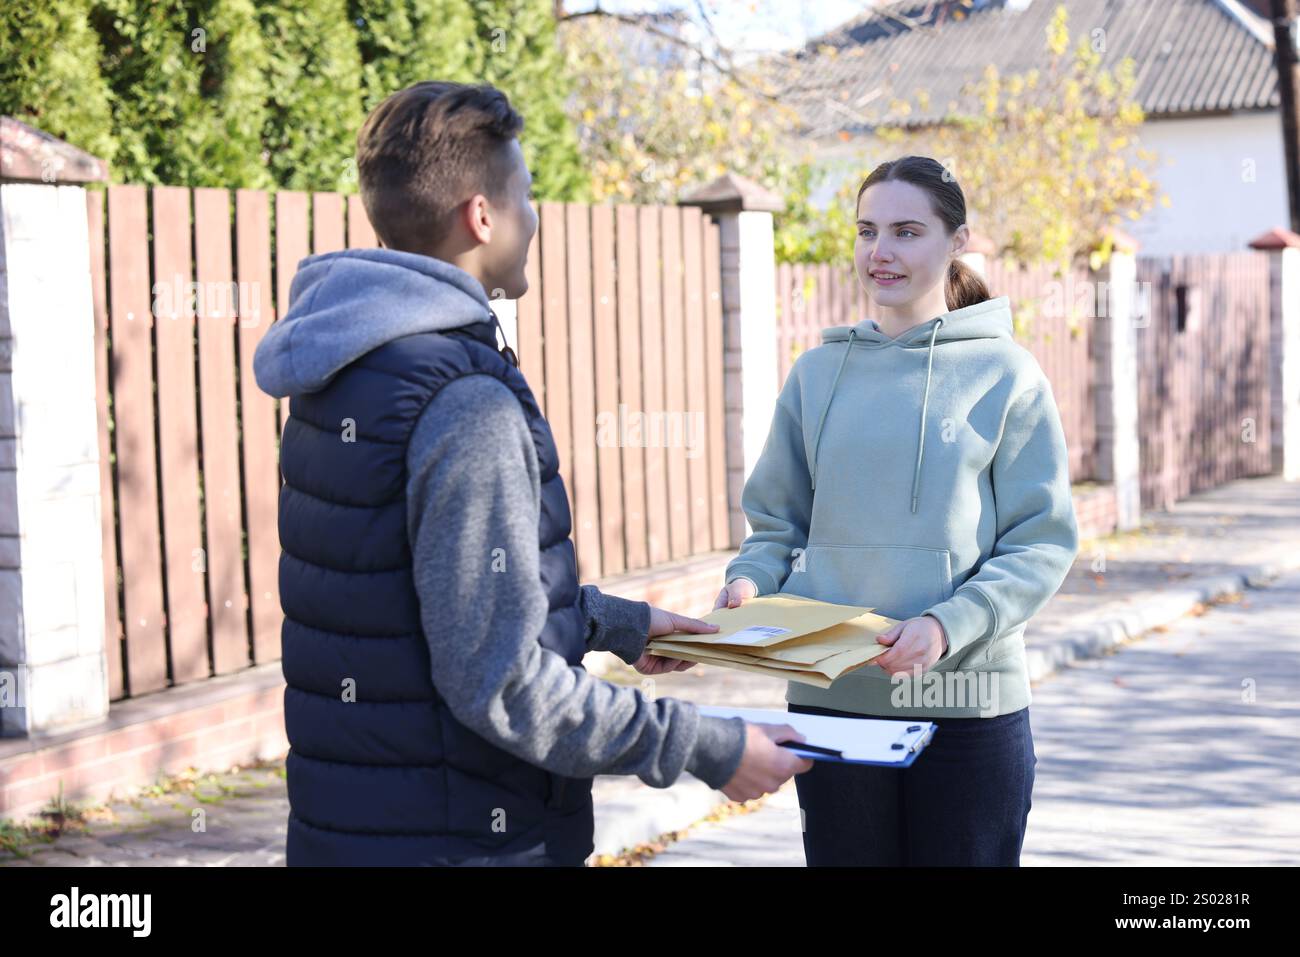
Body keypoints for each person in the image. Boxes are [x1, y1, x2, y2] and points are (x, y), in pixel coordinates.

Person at [253, 81, 812, 867]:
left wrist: (618, 623)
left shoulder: (349, 366)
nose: (538, 216)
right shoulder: (463, 402)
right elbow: (503, 683)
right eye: (526, 194)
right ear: (481, 216)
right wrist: (711, 745)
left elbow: (423, 603)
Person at [714, 155, 1080, 866]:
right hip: (833, 706)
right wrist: (749, 583)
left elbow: (1041, 541)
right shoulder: (817, 375)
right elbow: (777, 525)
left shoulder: (1006, 374)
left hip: (968, 708)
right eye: (866, 231)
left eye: (907, 231)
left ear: (957, 241)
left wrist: (948, 625)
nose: (880, 252)